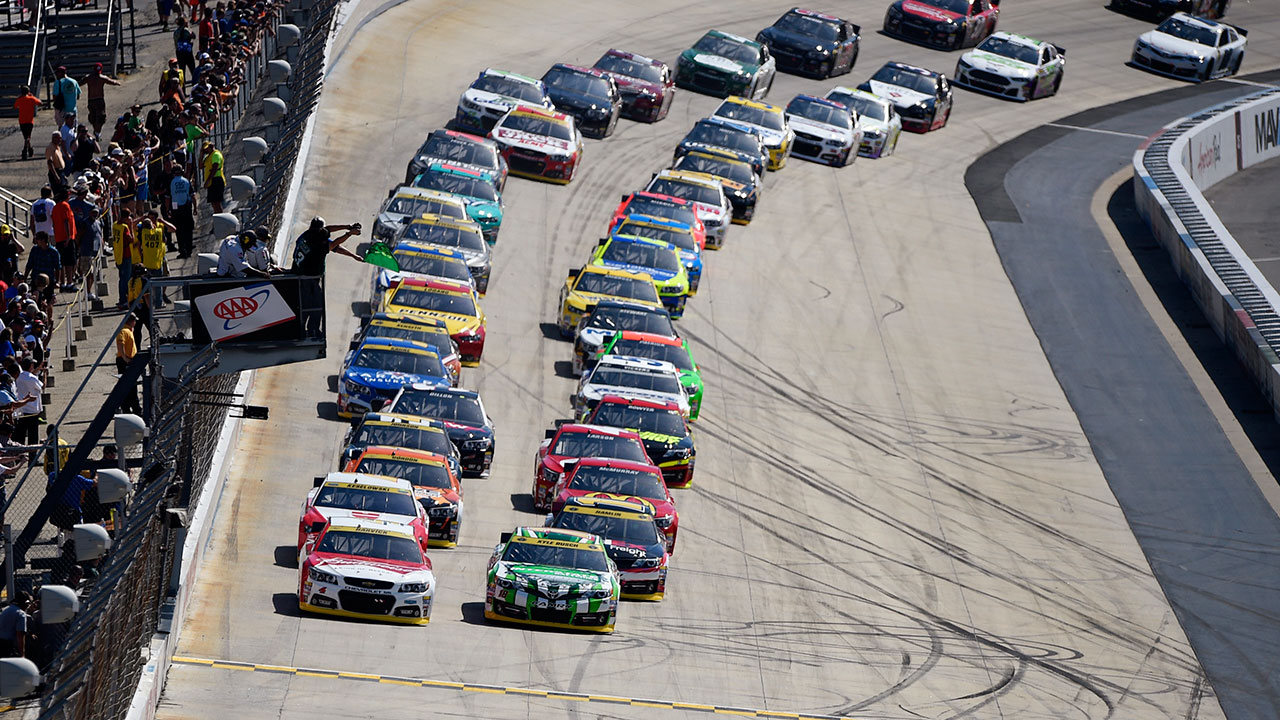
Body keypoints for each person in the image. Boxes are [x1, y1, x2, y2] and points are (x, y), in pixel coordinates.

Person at [291, 217, 361, 339]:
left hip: (300, 275)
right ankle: (309, 331)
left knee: (310, 305)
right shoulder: (317, 246)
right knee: (313, 306)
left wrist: (347, 226)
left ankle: (308, 329)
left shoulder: (307, 235)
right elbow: (334, 245)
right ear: (319, 231)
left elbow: (329, 231)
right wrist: (349, 234)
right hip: (307, 280)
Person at [68, 185, 102, 301]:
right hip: (78, 237)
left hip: (88, 245)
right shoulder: (73, 205)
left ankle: (77, 276)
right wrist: (78, 243)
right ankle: (79, 281)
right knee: (79, 263)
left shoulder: (92, 213)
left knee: (84, 266)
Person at [79, 63, 121, 137]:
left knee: (99, 118)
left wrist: (116, 83)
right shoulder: (97, 77)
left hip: (95, 100)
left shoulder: (92, 77)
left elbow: (79, 83)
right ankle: (97, 132)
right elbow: (111, 81)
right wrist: (117, 83)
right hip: (96, 100)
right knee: (95, 118)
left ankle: (97, 132)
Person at [51, 190, 77, 291]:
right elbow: (66, 220)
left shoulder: (55, 207)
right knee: (69, 262)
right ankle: (69, 283)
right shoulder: (65, 205)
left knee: (61, 261)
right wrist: (68, 236)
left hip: (59, 238)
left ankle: (62, 283)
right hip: (66, 238)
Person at [13, 357, 43, 448]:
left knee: (21, 436)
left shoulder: (19, 377)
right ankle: (33, 458)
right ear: (30, 366)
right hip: (32, 411)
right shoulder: (32, 378)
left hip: (22, 409)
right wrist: (44, 375)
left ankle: (19, 455)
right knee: (33, 437)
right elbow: (42, 387)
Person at [115, 315, 141, 414]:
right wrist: (125, 358)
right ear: (131, 321)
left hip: (129, 360)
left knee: (131, 385)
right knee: (129, 385)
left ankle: (132, 407)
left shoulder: (129, 330)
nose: (135, 323)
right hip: (125, 360)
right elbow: (120, 345)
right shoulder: (124, 331)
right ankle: (131, 407)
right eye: (135, 321)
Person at [169, 166, 195, 258]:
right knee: (188, 229)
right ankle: (189, 249)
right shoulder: (186, 181)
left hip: (176, 209)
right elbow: (192, 196)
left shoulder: (172, 183)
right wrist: (195, 207)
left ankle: (183, 251)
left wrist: (169, 209)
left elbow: (168, 198)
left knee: (179, 231)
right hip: (186, 207)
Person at [0, 592, 32, 658]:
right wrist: (22, 655)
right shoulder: (21, 614)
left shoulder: (6, 609)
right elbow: (20, 635)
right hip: (8, 646)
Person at [13, 86, 41, 160]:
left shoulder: (20, 99)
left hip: (22, 121)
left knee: (26, 136)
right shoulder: (31, 99)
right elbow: (39, 102)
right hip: (29, 120)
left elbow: (15, 106)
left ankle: (27, 150)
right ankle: (27, 149)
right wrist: (32, 96)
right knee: (28, 136)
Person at [200, 140, 225, 213]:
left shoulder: (215, 155)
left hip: (216, 180)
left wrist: (207, 181)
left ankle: (220, 217)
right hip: (212, 181)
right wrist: (201, 154)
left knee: (217, 203)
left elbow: (215, 168)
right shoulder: (208, 156)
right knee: (213, 203)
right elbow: (201, 166)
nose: (206, 150)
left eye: (207, 149)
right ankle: (217, 216)